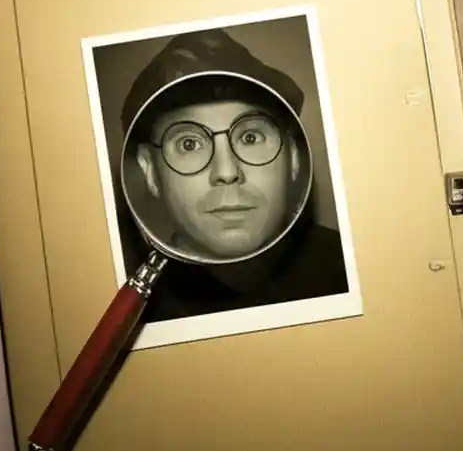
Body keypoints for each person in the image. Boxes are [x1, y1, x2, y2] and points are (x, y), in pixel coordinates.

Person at [117, 28, 349, 322]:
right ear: (150, 171)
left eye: (250, 137)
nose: (227, 172)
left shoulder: (348, 265)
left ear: (292, 156)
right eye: (189, 144)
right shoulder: (135, 314)